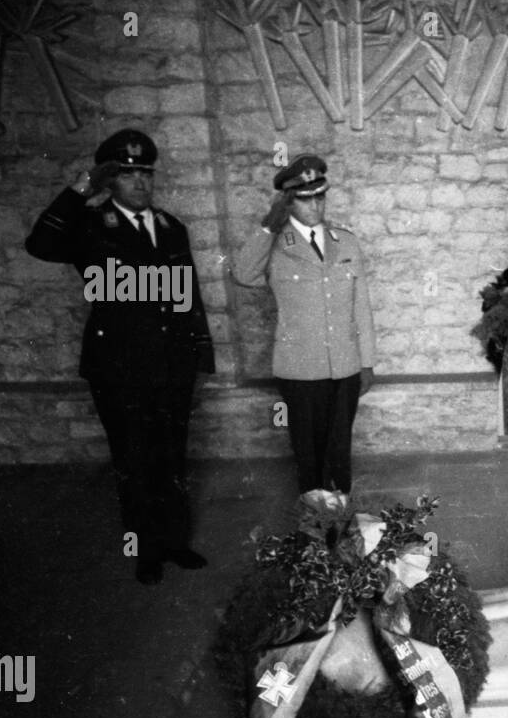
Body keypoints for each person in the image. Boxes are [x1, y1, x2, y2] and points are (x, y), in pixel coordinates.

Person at [25, 128, 215, 585]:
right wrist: (81, 187)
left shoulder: (171, 227)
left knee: (171, 455)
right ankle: (145, 549)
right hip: (119, 366)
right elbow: (39, 245)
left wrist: (201, 357)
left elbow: (188, 295)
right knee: (133, 457)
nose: (140, 183)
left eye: (145, 174)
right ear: (110, 180)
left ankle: (175, 541)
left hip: (172, 364)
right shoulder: (90, 226)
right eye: (127, 175)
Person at [231, 154, 375, 495]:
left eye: (320, 196)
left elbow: (362, 308)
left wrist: (366, 362)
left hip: (345, 365)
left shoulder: (346, 242)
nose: (315, 205)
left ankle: (339, 526)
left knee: (340, 451)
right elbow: (242, 273)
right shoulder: (275, 245)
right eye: (304, 198)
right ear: (288, 202)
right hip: (300, 369)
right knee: (308, 454)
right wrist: (268, 226)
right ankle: (314, 530)